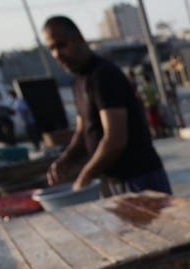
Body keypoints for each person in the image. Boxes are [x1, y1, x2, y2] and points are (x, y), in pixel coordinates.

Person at [41, 15, 171, 196]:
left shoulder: (103, 75)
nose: (57, 54)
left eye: (62, 45)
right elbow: (83, 131)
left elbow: (115, 139)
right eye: (52, 48)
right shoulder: (79, 82)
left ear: (79, 39)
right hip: (113, 181)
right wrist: (66, 158)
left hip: (138, 178)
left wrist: (85, 175)